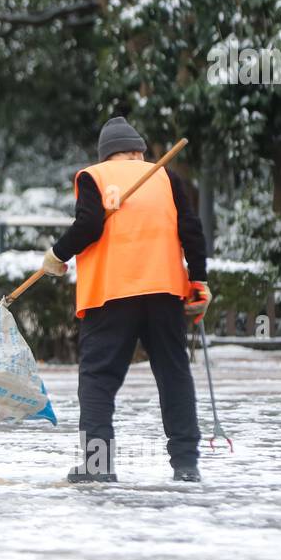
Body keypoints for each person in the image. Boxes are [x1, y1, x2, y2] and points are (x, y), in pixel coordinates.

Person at [40, 116, 212, 484]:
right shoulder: (164, 175)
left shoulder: (94, 176)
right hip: (164, 292)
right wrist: (198, 279)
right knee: (173, 374)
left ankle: (97, 466)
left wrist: (58, 254)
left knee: (98, 379)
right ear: (138, 151)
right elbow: (191, 229)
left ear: (105, 155)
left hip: (110, 295)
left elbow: (89, 225)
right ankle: (186, 465)